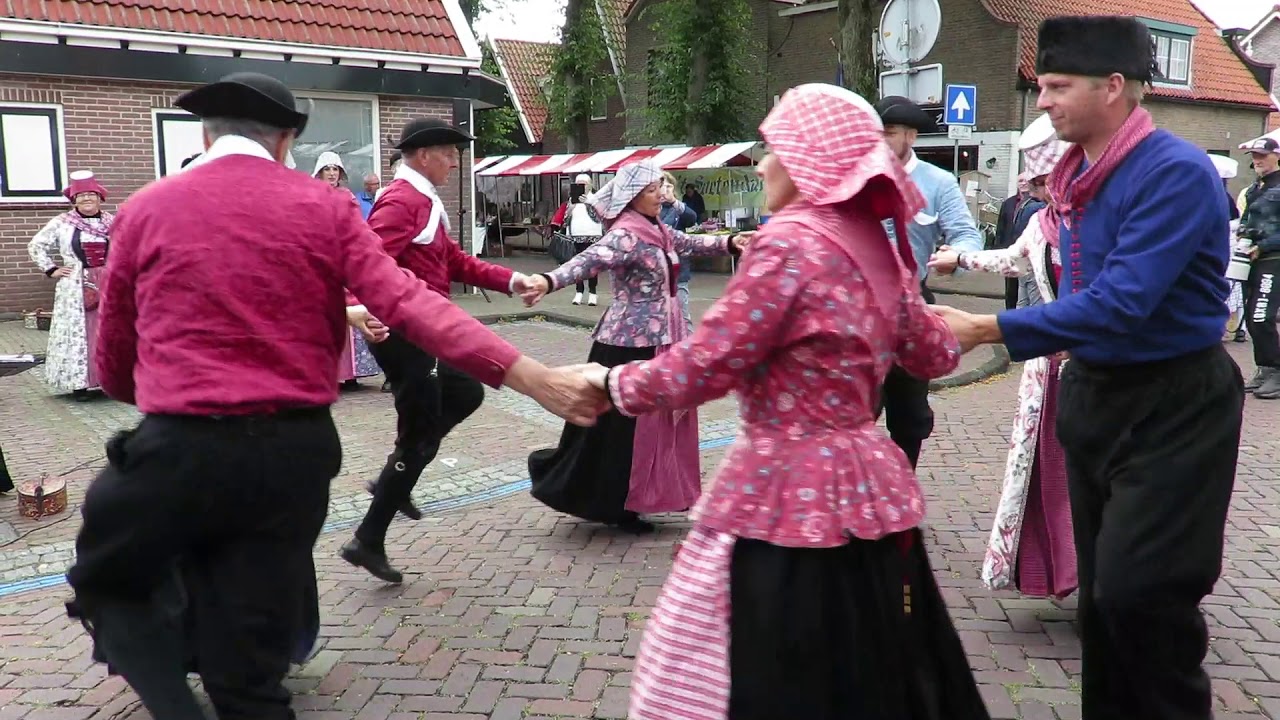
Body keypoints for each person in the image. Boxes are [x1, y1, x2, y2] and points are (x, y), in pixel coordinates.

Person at [63, 71, 606, 720]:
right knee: (253, 668)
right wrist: (533, 376)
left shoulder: (149, 206)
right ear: (287, 139)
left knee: (105, 579)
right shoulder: (326, 207)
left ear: (206, 135)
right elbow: (408, 302)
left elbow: (114, 360)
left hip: (179, 445)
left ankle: (174, 702)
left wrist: (153, 399)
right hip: (292, 456)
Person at [584, 83, 987, 720]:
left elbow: (712, 361)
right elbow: (933, 356)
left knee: (761, 666)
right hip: (870, 487)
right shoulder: (878, 246)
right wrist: (958, 326)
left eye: (774, 149)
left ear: (809, 160)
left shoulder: (789, 241)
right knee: (872, 662)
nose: (764, 163)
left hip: (786, 485)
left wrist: (612, 386)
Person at [931, 17, 1243, 720]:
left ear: (1114, 88)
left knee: (1146, 596)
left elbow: (1122, 303)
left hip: (1174, 402)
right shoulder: (1073, 177)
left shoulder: (1174, 171)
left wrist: (988, 327)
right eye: (1041, 86)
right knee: (1102, 605)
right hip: (1096, 393)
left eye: (1056, 86)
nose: (1041, 101)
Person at [340, 118, 539, 584]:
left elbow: (453, 261)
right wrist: (355, 308)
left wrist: (513, 280)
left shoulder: (422, 200)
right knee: (422, 432)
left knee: (466, 392)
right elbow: (365, 261)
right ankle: (370, 535)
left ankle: (401, 471)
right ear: (423, 154)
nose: (455, 160)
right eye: (450, 152)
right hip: (405, 333)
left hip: (426, 329)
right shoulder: (401, 200)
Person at [519, 160, 744, 535]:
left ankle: (645, 494)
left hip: (662, 339)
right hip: (628, 345)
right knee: (624, 434)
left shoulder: (657, 229)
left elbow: (687, 242)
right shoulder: (625, 235)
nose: (662, 194)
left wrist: (729, 242)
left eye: (660, 187)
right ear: (633, 196)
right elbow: (586, 261)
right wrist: (546, 280)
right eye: (653, 189)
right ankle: (617, 503)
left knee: (651, 427)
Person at [929, 120, 1076, 599]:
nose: (1044, 192)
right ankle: (1056, 571)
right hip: (1047, 366)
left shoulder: (1101, 223)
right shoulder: (1041, 224)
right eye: (1038, 185)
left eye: (1048, 182)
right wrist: (962, 259)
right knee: (1046, 474)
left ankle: (1101, 578)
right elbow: (1010, 259)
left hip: (1096, 366)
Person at [874, 95, 984, 468]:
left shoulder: (937, 183)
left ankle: (900, 493)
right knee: (850, 410)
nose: (880, 141)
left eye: (888, 133)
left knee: (910, 415)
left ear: (911, 136)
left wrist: (956, 257)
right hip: (857, 307)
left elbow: (967, 235)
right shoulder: (856, 178)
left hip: (911, 304)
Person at [27, 171, 114, 401]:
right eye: (81, 196)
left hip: (107, 283)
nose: (86, 200)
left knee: (106, 331)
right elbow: (36, 245)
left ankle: (107, 381)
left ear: (99, 198)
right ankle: (80, 384)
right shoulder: (61, 223)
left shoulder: (111, 222)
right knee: (80, 333)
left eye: (91, 196)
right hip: (75, 285)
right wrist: (52, 269)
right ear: (74, 200)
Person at [313, 151, 384, 389]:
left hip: (344, 257)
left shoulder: (347, 196)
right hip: (322, 257)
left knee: (352, 306)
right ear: (319, 172)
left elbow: (356, 224)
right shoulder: (312, 195)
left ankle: (352, 373)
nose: (331, 174)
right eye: (327, 169)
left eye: (335, 169)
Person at [1239, 136, 1280, 396]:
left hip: (1273, 260)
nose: (1257, 160)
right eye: (1254, 155)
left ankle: (1277, 371)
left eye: (1263, 155)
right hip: (1249, 261)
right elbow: (1246, 219)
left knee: (1261, 316)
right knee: (1251, 318)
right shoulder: (1255, 188)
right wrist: (1242, 235)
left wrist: (1263, 246)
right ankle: (1264, 367)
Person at [659, 171, 699, 334]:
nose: (664, 190)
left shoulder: (678, 208)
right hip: (655, 272)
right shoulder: (649, 208)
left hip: (677, 271)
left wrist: (674, 201)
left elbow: (692, 217)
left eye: (668, 186)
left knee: (682, 314)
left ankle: (690, 351)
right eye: (660, 186)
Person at [566, 173, 603, 306]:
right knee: (578, 266)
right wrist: (570, 209)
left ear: (590, 185)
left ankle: (592, 293)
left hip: (593, 236)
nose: (581, 186)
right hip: (576, 236)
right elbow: (566, 219)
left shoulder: (595, 198)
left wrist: (587, 202)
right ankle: (579, 291)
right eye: (578, 184)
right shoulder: (572, 200)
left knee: (592, 265)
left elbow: (599, 217)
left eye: (584, 183)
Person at [993, 174, 1029, 309]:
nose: (1023, 183)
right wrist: (998, 249)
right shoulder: (1008, 203)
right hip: (1009, 252)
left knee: (1026, 290)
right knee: (1011, 290)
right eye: (1020, 181)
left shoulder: (1037, 202)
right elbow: (1001, 227)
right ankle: (1010, 314)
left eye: (1026, 180)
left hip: (1027, 253)